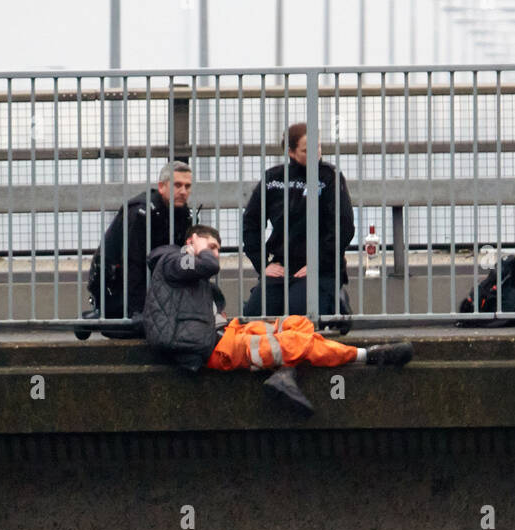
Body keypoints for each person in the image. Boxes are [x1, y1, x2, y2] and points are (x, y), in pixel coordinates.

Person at [143, 226, 413, 417]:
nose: (214, 254)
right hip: (211, 347)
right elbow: (207, 266)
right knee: (298, 343)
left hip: (222, 332)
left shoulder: (183, 271)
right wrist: (200, 250)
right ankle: (369, 356)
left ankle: (284, 374)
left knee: (299, 324)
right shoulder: (174, 260)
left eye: (216, 249)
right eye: (211, 246)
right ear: (192, 240)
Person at [241, 124, 355, 322]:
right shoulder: (273, 179)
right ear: (291, 152)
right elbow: (251, 222)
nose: (315, 154)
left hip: (321, 267)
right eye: (306, 150)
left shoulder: (330, 178)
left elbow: (343, 227)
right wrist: (263, 264)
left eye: (318, 147)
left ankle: (335, 302)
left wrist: (317, 263)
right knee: (255, 315)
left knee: (300, 314)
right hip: (283, 265)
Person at [75, 161, 194, 339]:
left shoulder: (183, 214)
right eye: (177, 185)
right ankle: (95, 319)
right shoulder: (141, 212)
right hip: (116, 281)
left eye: (187, 186)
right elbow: (132, 262)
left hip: (150, 278)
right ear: (162, 186)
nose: (183, 191)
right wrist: (136, 311)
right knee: (139, 328)